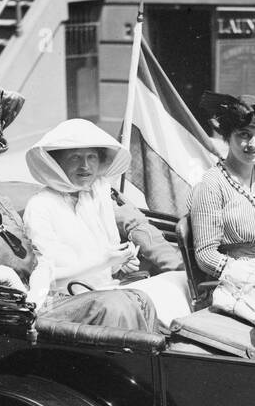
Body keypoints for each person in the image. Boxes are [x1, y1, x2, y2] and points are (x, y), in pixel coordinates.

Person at [0, 93, 159, 331]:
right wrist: (4, 274)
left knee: (141, 300)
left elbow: (39, 260)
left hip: (38, 302)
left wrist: (37, 289)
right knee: (114, 305)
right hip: (4, 317)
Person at [23, 118, 187, 324]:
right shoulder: (40, 206)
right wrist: (104, 261)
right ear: (56, 163)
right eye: (74, 157)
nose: (85, 165)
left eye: (91, 156)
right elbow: (47, 277)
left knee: (179, 283)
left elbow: (110, 258)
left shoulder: (96, 195)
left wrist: (119, 264)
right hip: (68, 302)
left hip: (108, 289)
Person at [188, 91, 255, 277]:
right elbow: (206, 255)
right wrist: (250, 273)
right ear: (228, 137)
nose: (253, 144)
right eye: (244, 135)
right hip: (233, 280)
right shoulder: (212, 183)